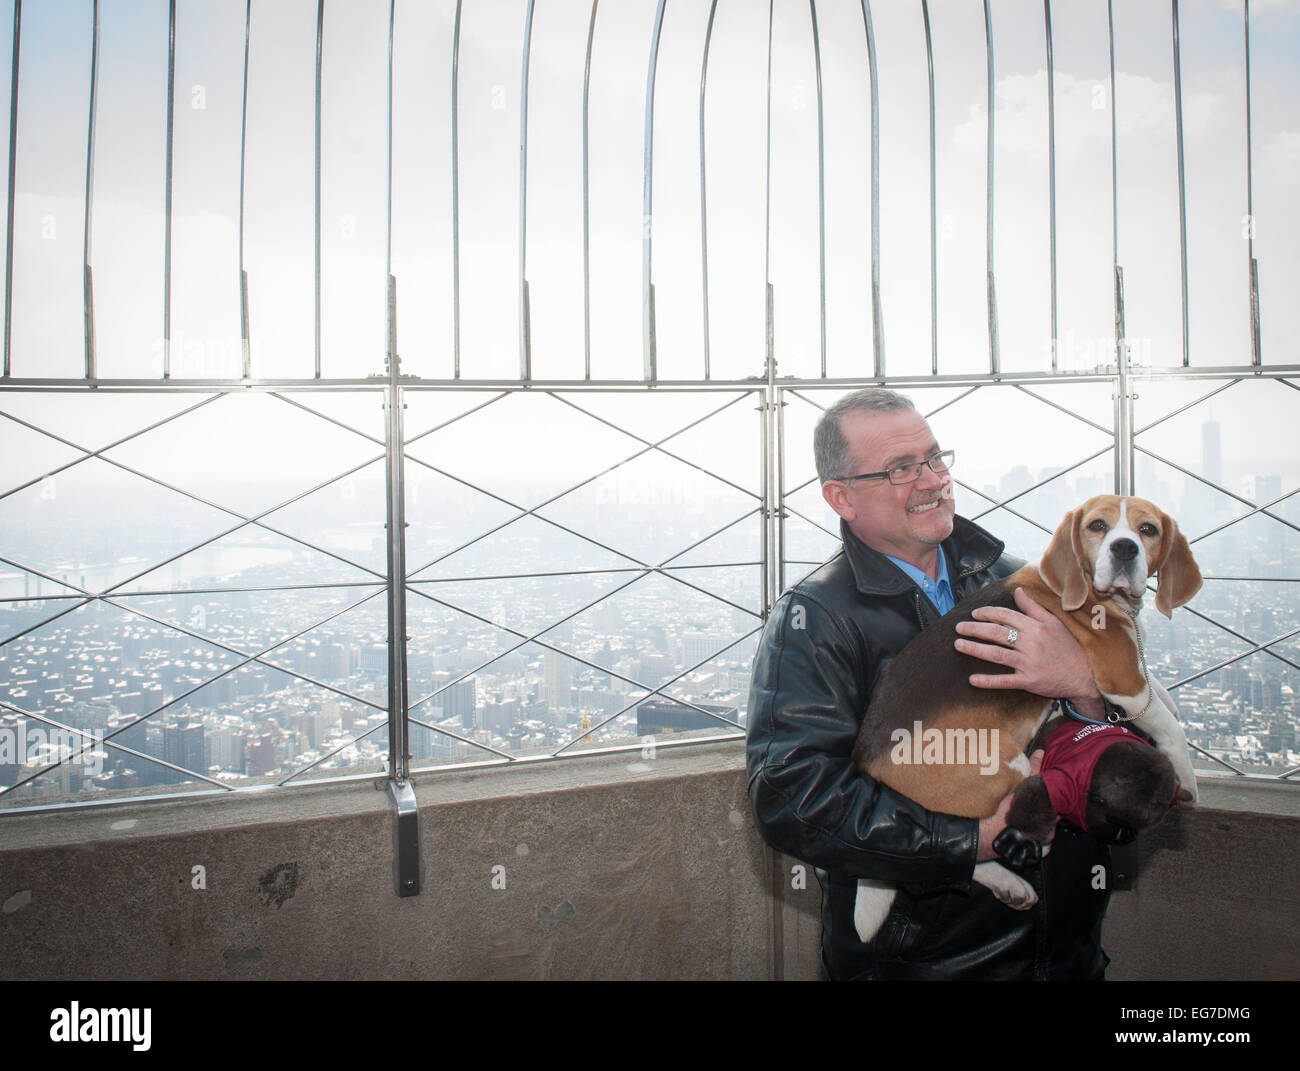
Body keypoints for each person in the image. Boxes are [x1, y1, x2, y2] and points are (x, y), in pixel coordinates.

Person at [746, 387, 1115, 980]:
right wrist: (968, 841)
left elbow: (1115, 753)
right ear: (841, 497)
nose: (930, 480)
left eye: (935, 458)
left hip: (1066, 948)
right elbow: (794, 797)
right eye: (900, 468)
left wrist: (1086, 689)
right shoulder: (816, 619)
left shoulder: (1019, 581)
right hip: (929, 962)